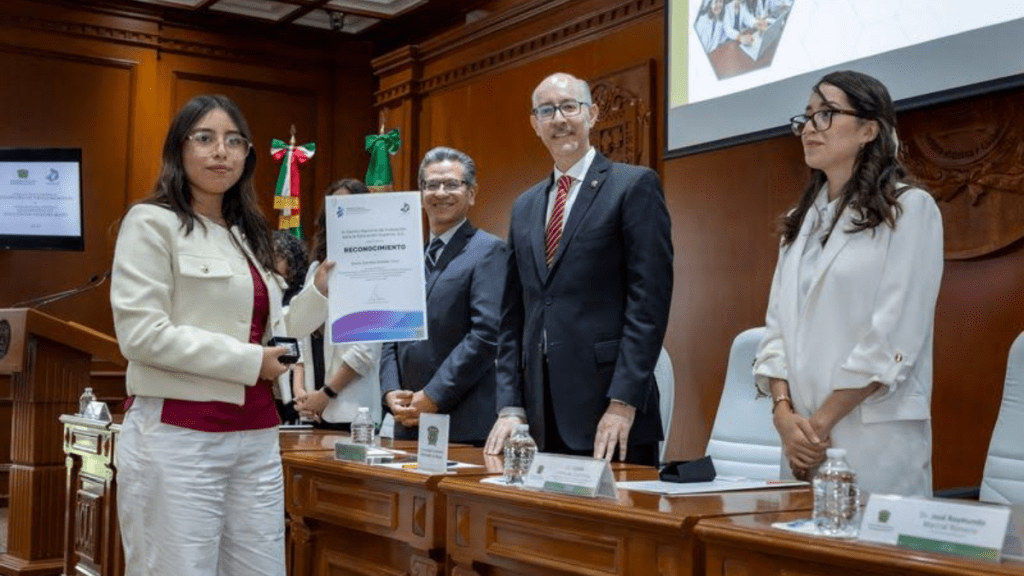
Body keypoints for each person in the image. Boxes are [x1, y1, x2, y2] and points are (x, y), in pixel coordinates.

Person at [110, 94, 332, 576]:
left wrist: (319, 291)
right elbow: (142, 335)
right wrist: (250, 361)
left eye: (234, 141)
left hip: (256, 439)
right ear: (179, 149)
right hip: (178, 437)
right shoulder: (151, 223)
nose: (221, 152)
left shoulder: (246, 234)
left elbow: (279, 334)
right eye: (205, 139)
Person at [753, 70, 943, 497]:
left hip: (870, 440)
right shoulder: (797, 224)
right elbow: (776, 331)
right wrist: (784, 417)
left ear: (869, 130)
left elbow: (894, 337)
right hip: (801, 442)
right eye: (806, 117)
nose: (809, 128)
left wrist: (817, 427)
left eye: (827, 114)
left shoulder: (911, 210)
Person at [484, 73, 673, 466]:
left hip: (610, 415)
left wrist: (622, 402)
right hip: (537, 418)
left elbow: (648, 304)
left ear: (593, 114)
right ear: (534, 124)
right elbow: (511, 316)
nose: (559, 119)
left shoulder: (632, 185)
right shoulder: (525, 206)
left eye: (570, 107)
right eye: (547, 110)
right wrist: (510, 405)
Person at [379, 147, 507, 445]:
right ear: (421, 194)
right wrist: (390, 391)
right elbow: (390, 332)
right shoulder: (406, 256)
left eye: (451, 184)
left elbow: (486, 335)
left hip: (462, 421)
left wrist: (434, 396)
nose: (440, 193)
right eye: (431, 185)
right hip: (406, 420)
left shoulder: (488, 250)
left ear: (472, 193)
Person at [292, 178, 383, 430]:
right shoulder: (315, 268)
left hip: (351, 413)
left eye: (350, 207)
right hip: (311, 409)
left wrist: (326, 394)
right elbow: (300, 333)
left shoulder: (375, 269)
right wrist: (300, 390)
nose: (342, 215)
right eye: (335, 208)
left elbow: (366, 351)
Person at [272, 230, 310, 424]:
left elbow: (299, 342)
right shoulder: (271, 292)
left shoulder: (298, 296)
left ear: (292, 261)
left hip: (290, 379)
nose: (271, 262)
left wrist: (297, 385)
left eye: (278, 257)